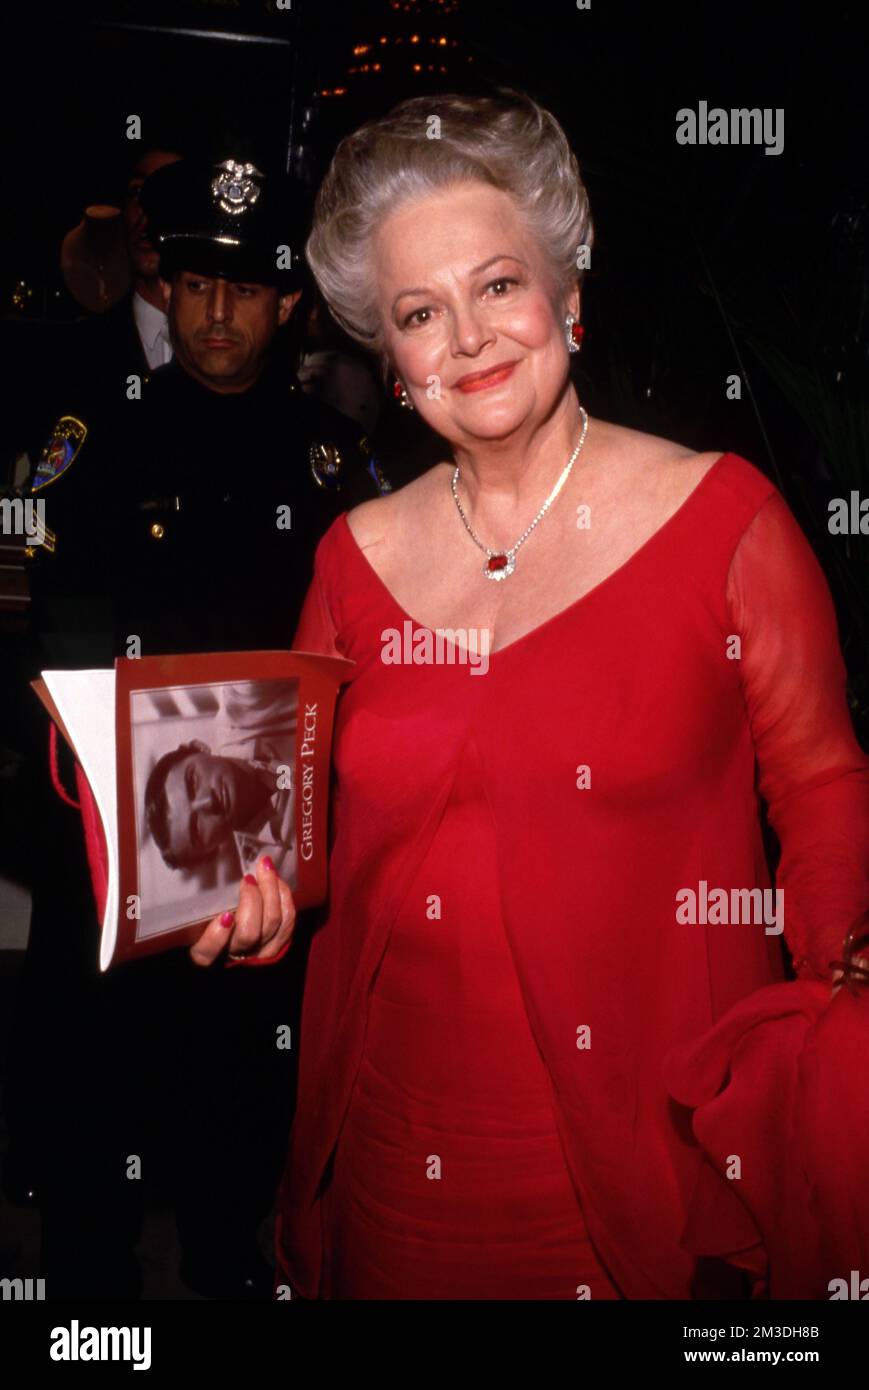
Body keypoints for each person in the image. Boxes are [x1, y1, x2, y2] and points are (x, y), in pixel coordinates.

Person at [190, 89, 869, 1301]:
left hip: (654, 1152)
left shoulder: (725, 520)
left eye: (496, 285)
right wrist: (251, 904)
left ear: (565, 287)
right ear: (386, 356)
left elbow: (819, 784)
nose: (466, 338)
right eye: (417, 313)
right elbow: (295, 844)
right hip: (397, 1159)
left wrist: (838, 1003)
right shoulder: (348, 560)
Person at [6, 153, 389, 1301]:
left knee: (236, 1183)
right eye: (196, 282)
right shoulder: (95, 439)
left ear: (289, 304)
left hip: (261, 885)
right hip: (111, 863)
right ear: (166, 287)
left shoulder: (334, 463)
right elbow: (43, 647)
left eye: (248, 288)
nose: (219, 312)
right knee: (88, 1183)